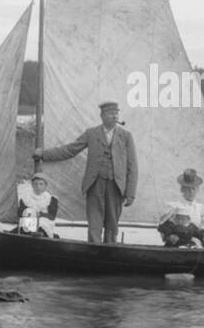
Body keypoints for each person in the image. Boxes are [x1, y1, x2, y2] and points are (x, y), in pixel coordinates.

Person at [34, 100, 138, 244]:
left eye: (116, 113)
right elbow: (70, 150)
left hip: (116, 187)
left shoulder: (126, 136)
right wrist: (44, 154)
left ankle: (110, 255)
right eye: (110, 113)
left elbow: (132, 166)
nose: (115, 116)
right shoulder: (91, 133)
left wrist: (130, 193)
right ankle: (94, 255)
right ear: (102, 116)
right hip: (94, 185)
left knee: (111, 227)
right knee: (94, 227)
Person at [157, 169, 204, 248]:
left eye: (193, 189)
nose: (191, 192)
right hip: (175, 245)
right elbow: (162, 226)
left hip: (195, 246)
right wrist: (169, 237)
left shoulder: (202, 209)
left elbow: (201, 231)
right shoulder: (173, 207)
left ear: (198, 189)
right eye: (187, 189)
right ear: (182, 189)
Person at [18, 172, 59, 237]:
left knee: (42, 225)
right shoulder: (25, 198)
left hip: (45, 221)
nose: (38, 186)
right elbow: (20, 213)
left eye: (41, 184)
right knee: (27, 224)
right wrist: (30, 212)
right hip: (29, 220)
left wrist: (40, 214)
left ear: (45, 186)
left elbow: (52, 216)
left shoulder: (51, 199)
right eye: (35, 184)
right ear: (32, 185)